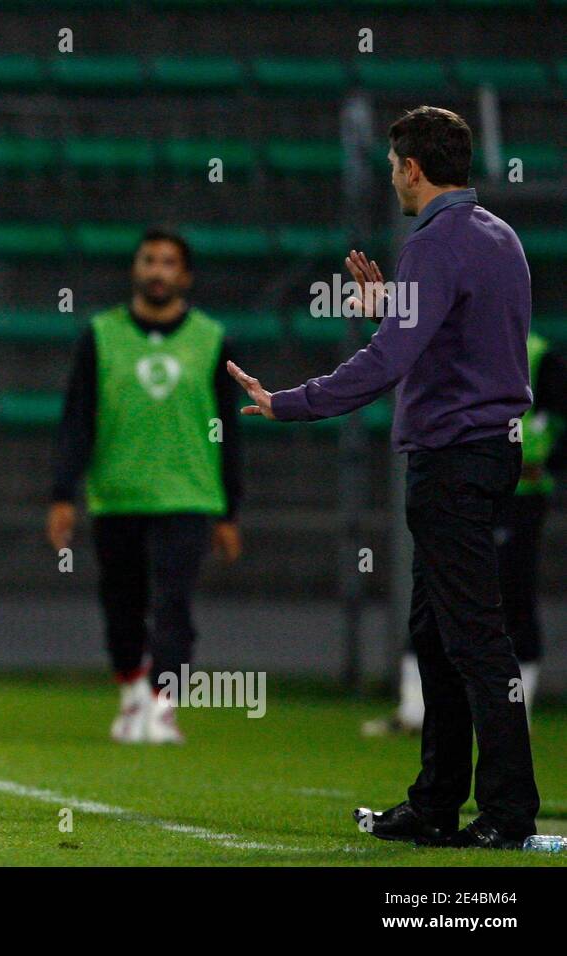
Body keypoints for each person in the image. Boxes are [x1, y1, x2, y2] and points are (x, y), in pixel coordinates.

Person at [229, 106, 539, 849]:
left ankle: (506, 810)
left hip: (453, 461)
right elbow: (455, 344)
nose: (393, 177)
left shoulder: (433, 242)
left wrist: (290, 402)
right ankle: (435, 803)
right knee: (437, 637)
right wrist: (393, 311)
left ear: (412, 168)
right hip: (490, 452)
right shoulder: (499, 236)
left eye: (395, 165)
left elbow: (389, 365)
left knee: (474, 639)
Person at [47, 229, 243, 744]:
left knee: (174, 601)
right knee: (122, 602)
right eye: (150, 260)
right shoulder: (101, 334)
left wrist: (229, 512)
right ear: (136, 269)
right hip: (117, 495)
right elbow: (77, 419)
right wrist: (62, 494)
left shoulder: (211, 338)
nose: (158, 270)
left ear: (186, 275)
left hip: (188, 496)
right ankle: (132, 690)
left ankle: (163, 703)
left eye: (169, 262)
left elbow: (229, 428)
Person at [363, 330, 567, 737]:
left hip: (518, 495)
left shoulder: (540, 355)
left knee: (510, 593)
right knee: (434, 590)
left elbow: (560, 423)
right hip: (457, 484)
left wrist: (546, 463)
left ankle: (512, 715)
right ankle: (415, 711)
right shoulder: (449, 340)